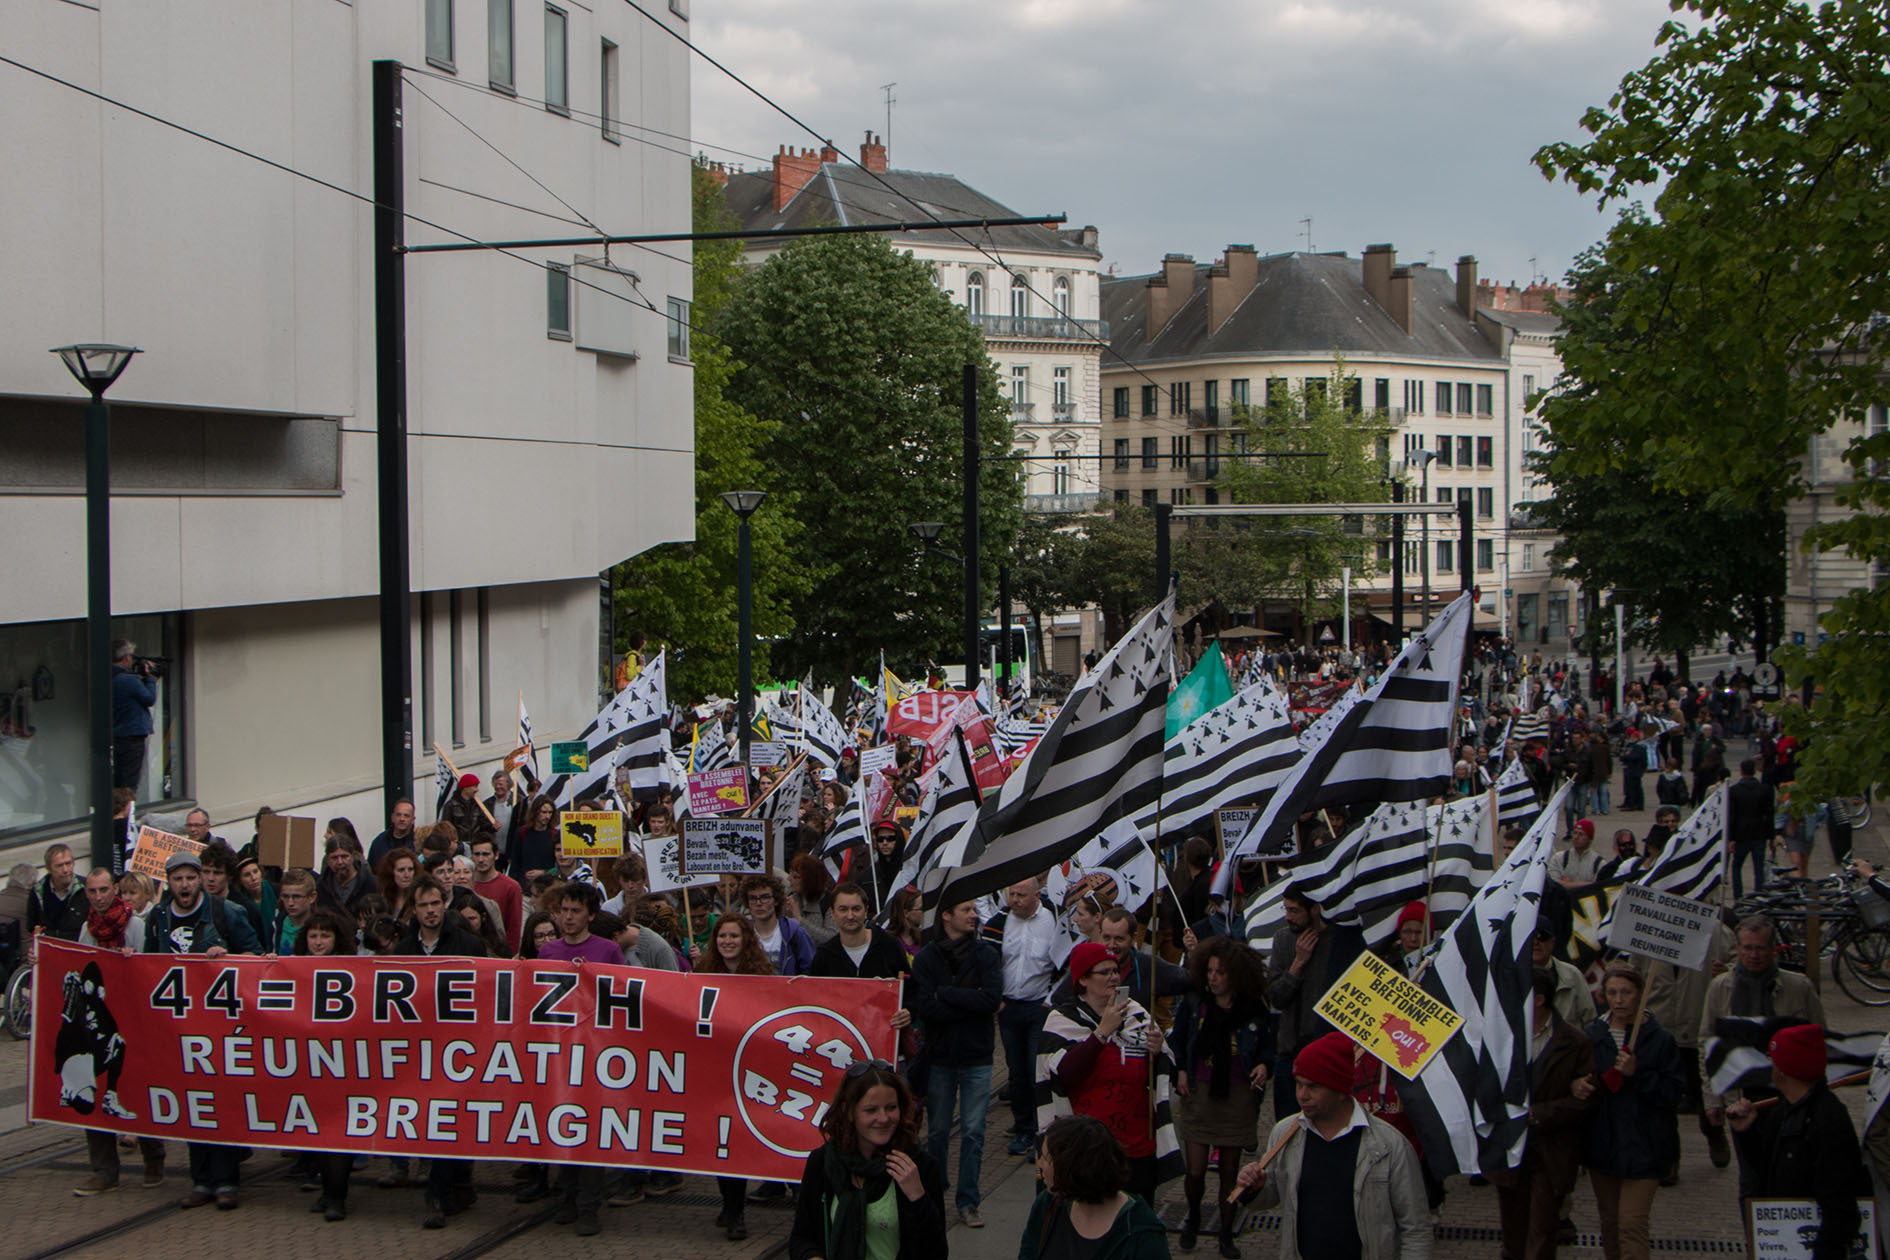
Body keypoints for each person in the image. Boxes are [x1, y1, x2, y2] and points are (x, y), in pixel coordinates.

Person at [1233, 1031, 1433, 1260]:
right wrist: (1255, 1187)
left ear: (1341, 1091)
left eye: (1313, 1087)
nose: (1302, 1095)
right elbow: (1272, 1196)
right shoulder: (1285, 1133)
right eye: (1298, 1084)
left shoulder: (1389, 1145)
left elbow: (1416, 1229)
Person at [144, 850, 258, 1208]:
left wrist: (226, 957)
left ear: (199, 880)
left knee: (220, 1100)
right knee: (194, 1102)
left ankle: (226, 1180)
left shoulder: (227, 913)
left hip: (221, 1027)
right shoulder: (158, 917)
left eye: (190, 878)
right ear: (169, 883)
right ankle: (201, 1179)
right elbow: (150, 965)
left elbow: (259, 958)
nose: (184, 885)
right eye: (177, 879)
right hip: (179, 1026)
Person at [1037, 942, 1174, 1212]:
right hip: (1087, 1149)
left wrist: (1157, 1053)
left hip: (1136, 1147)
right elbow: (1063, 1073)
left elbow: (1158, 1071)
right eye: (1105, 972)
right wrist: (1101, 1033)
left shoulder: (1137, 1014)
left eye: (1116, 971)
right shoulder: (1062, 1019)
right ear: (1083, 980)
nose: (1114, 977)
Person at [1700, 914, 1824, 1179]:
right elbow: (1707, 1045)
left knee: (1793, 1171)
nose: (1753, 955)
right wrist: (1712, 1098)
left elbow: (1820, 1040)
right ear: (1738, 949)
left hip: (1791, 1097)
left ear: (1772, 950)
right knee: (1753, 1174)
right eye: (1747, 948)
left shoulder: (1799, 987)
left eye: (1760, 948)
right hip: (1742, 1098)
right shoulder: (1720, 988)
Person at [1170, 936, 1272, 1257]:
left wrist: (1263, 1065)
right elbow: (1179, 1041)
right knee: (1196, 1171)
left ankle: (1226, 1233)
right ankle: (1194, 1216)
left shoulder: (1254, 1008)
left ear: (1236, 975)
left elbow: (1268, 1048)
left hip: (1237, 1096)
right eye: (1210, 971)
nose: (1213, 978)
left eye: (1221, 972)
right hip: (1199, 1095)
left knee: (1230, 1174)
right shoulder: (1194, 1002)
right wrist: (1181, 1072)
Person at [1729, 1026, 1868, 1260]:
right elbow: (1765, 1170)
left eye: (1774, 1059)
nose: (1770, 1065)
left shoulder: (1828, 1121)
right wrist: (1747, 1132)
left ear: (1784, 1070)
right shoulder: (1782, 1111)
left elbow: (1841, 1206)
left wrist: (1823, 1252)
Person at [531, 880, 621, 1235]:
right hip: (559, 1053)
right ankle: (566, 1196)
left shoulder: (607, 951)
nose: (568, 918)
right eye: (564, 911)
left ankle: (588, 1205)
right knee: (563, 1125)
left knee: (591, 1131)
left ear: (591, 915)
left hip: (596, 1053)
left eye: (575, 911)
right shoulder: (548, 952)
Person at [786, 1062, 948, 1260]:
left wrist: (918, 1197)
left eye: (891, 1108)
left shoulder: (920, 1167)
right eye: (871, 1110)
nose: (883, 1118)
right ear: (849, 1111)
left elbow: (937, 1253)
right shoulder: (823, 1162)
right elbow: (802, 1238)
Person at [67, 865, 164, 1197]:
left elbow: (151, 969)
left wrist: (132, 961)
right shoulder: (87, 929)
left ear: (115, 890)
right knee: (93, 1090)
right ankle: (105, 1170)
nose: (97, 897)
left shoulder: (136, 925)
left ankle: (154, 1156)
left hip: (132, 1023)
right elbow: (80, 967)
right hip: (97, 1025)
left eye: (103, 890)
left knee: (135, 1090)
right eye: (91, 891)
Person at [394, 876, 484, 1226]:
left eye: (435, 904)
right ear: (413, 910)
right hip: (418, 1052)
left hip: (457, 1052)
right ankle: (458, 1184)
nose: (430, 912)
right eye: (423, 906)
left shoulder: (468, 946)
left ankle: (437, 1194)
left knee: (448, 1122)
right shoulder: (403, 952)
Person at [1577, 964, 1683, 1260]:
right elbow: (1579, 1076)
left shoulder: (1660, 1040)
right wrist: (1578, 1085)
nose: (1619, 999)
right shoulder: (1593, 1036)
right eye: (1612, 992)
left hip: (1645, 1147)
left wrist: (1638, 1075)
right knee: (1610, 1226)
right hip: (1604, 1147)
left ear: (1640, 994)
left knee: (1632, 1225)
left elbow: (1673, 1092)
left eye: (1626, 992)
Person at [909, 897, 1003, 1229]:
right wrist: (967, 1001)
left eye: (974, 910)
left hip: (977, 1055)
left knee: (974, 1131)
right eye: (967, 910)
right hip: (941, 1057)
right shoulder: (927, 959)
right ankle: (934, 1196)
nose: (974, 916)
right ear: (947, 915)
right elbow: (925, 1008)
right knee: (937, 1131)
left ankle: (968, 1201)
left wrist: (945, 994)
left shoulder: (986, 955)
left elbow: (990, 1000)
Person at [1491, 967, 1595, 1260]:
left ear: (1538, 999)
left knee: (1541, 1233)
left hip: (1551, 1151)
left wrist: (1542, 1113)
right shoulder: (1502, 1037)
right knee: (1512, 1234)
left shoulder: (1575, 1043)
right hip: (1510, 1150)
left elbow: (1586, 1100)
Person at [696, 914, 777, 1239]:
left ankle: (736, 1210)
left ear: (746, 939)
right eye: (721, 936)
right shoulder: (703, 974)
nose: (727, 941)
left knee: (738, 1140)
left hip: (747, 1069)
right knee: (720, 1140)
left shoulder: (762, 976)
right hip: (714, 1070)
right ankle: (730, 1205)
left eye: (733, 936)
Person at [1644, 918, 1736, 1175]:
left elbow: (1737, 961)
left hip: (1697, 1022)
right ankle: (1669, 1156)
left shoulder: (1714, 929)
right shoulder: (1646, 920)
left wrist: (1726, 970)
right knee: (1663, 1099)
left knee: (1704, 1089)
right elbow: (1628, 965)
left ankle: (1714, 1131)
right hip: (1660, 1025)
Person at [1264, 885, 1364, 1118]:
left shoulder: (1340, 941)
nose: (1288, 916)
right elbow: (1276, 997)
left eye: (1295, 911)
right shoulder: (1283, 939)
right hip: (1290, 1052)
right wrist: (1297, 964)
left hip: (1326, 1053)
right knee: (1288, 1126)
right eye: (1286, 909)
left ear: (1315, 909)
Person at [983, 877, 1065, 1157]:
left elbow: (1065, 962)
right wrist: (996, 1000)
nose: (1014, 899)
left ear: (1037, 896)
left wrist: (1050, 1000)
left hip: (1039, 1008)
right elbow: (989, 962)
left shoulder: (1054, 920)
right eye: (1011, 893)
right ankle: (1023, 1129)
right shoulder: (998, 922)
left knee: (1036, 1071)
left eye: (1020, 894)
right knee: (1016, 1072)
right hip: (1009, 1009)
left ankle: (1043, 1134)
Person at [1020, 1114, 1172, 1260]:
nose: (1039, 1164)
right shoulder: (1047, 1205)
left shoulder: (1142, 1236)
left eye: (1046, 1159)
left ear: (1071, 1170)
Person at [743, 872, 816, 976]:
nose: (759, 903)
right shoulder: (743, 934)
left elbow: (810, 972)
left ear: (776, 900)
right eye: (753, 898)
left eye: (765, 897)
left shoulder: (796, 933)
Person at [110, 639, 157, 789]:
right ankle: (126, 811)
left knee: (118, 779)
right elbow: (149, 699)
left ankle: (116, 809)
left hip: (115, 734)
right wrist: (151, 680)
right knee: (129, 782)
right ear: (127, 658)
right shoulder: (128, 680)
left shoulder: (106, 677)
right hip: (132, 736)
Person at [1532, 925, 1598, 1029]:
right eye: (1530, 937)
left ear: (1553, 942)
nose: (1535, 942)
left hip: (1569, 1043)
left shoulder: (1572, 974)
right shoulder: (1509, 977)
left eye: (1542, 936)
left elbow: (1589, 1019)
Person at [1728, 758, 1777, 894]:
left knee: (1737, 865)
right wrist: (1771, 835)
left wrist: (1730, 838)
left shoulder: (1734, 791)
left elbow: (1732, 816)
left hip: (1740, 833)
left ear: (1742, 772)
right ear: (1754, 771)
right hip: (1759, 832)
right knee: (1758, 867)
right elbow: (1770, 814)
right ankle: (1758, 893)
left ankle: (1738, 895)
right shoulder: (1765, 789)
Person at [469, 835, 523, 953]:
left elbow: (514, 929)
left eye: (486, 854)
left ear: (496, 855)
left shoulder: (511, 887)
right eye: (477, 854)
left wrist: (509, 958)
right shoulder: (466, 886)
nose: (481, 859)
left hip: (499, 953)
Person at [27, 842, 86, 942]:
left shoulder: (87, 888)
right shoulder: (37, 892)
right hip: (50, 949)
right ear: (48, 869)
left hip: (78, 949)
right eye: (59, 866)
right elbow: (31, 926)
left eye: (68, 863)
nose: (65, 870)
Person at [787, 853, 837, 946]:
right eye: (790, 874)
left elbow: (831, 938)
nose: (789, 879)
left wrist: (799, 919)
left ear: (809, 880)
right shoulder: (790, 899)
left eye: (795, 877)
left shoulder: (828, 902)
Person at [316, 834, 373, 915]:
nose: (340, 862)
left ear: (353, 856)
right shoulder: (322, 886)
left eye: (344, 856)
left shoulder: (370, 883)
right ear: (328, 860)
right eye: (334, 858)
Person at [441, 773, 494, 847]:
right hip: (459, 846)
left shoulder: (478, 805)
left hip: (475, 845)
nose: (477, 790)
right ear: (466, 787)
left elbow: (483, 825)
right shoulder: (451, 805)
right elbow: (445, 828)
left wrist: (493, 826)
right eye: (475, 786)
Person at [273, 868, 317, 954]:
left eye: (297, 897)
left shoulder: (323, 927)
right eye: (285, 896)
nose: (290, 903)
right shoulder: (277, 923)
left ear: (312, 897)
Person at [367, 798, 418, 870]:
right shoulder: (379, 842)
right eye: (398, 815)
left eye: (406, 816)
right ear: (392, 817)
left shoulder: (417, 843)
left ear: (413, 820)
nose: (402, 819)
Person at [1548, 819, 1601, 886]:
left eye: (1581, 834)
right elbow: (1553, 884)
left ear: (1590, 839)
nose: (1576, 837)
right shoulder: (1559, 858)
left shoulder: (1599, 863)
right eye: (1575, 833)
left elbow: (1599, 887)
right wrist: (1586, 884)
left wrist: (1567, 884)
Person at [376, 848, 419, 920]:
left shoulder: (419, 897)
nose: (407, 875)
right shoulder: (383, 898)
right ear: (390, 873)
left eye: (410, 869)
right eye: (401, 870)